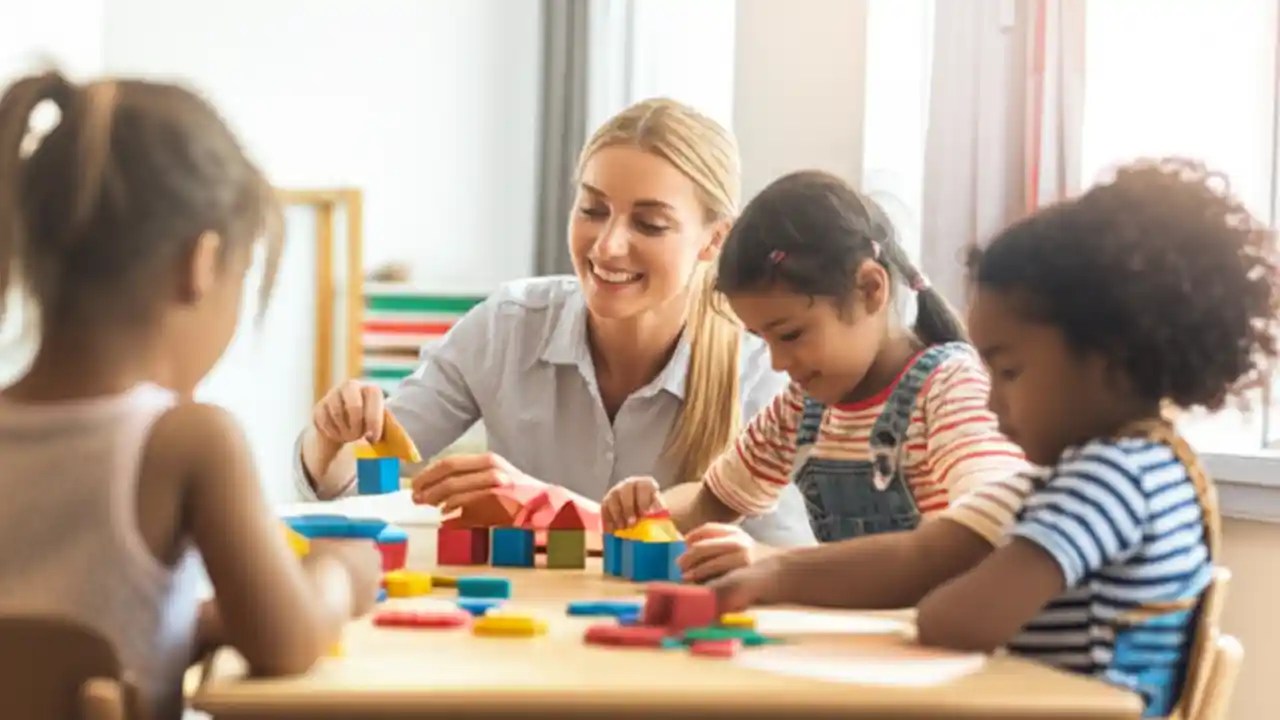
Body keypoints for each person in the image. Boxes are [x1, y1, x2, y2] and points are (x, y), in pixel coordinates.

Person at [0, 71, 380, 720]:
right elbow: (286, 644)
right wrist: (339, 575)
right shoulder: (189, 441)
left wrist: (185, 627)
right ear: (201, 264)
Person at [295, 98, 813, 547]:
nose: (608, 245)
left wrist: (549, 510)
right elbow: (361, 485)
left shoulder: (763, 368)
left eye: (650, 224)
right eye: (592, 210)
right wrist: (331, 438)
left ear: (714, 240)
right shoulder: (507, 326)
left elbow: (784, 562)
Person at [916, 158, 1279, 717]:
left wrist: (922, 609)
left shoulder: (1107, 476)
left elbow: (961, 621)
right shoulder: (1161, 464)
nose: (991, 403)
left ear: (1111, 358)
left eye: (1009, 372)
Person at [603, 170, 1030, 602]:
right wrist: (649, 512)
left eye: (790, 335)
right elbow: (710, 503)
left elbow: (996, 523)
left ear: (870, 289)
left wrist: (775, 566)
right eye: (762, 339)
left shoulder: (949, 390)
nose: (777, 362)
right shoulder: (802, 408)